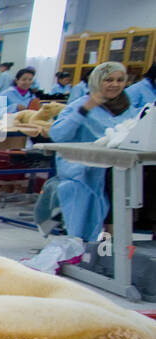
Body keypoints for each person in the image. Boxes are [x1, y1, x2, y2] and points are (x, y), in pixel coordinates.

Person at [47, 61, 137, 242]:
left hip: (116, 168)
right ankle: (91, 246)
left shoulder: (127, 107)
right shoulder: (81, 105)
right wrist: (85, 109)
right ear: (97, 81)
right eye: (109, 80)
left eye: (120, 80)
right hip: (83, 170)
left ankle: (110, 250)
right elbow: (57, 134)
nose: (115, 84)